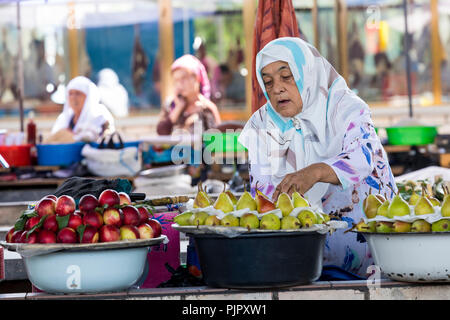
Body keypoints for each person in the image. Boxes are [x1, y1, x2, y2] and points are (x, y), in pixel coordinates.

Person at [238, 37, 397, 278]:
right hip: (304, 261)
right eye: (268, 82)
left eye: (286, 76)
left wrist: (315, 172)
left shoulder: (345, 107)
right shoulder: (263, 125)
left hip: (371, 254)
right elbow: (263, 194)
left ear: (307, 72)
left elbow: (363, 158)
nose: (277, 88)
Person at [156, 54, 221, 135]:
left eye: (184, 78)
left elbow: (216, 142)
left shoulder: (207, 108)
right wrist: (178, 108)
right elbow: (161, 132)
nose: (180, 84)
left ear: (197, 78)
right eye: (176, 80)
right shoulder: (171, 104)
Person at [50, 76, 115, 143]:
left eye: (78, 94)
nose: (73, 97)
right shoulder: (64, 118)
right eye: (70, 94)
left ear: (88, 96)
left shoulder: (99, 114)